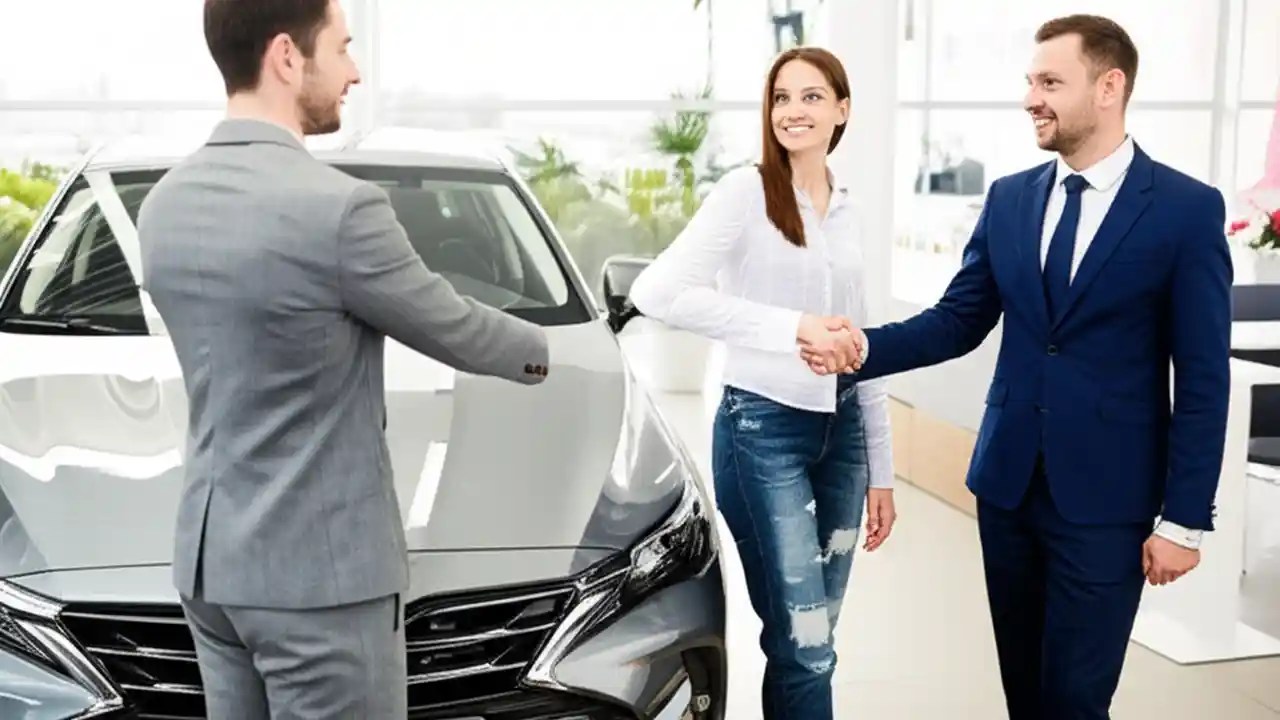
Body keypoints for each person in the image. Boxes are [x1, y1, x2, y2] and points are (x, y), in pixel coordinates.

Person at [136, 1, 551, 717]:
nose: (355, 71)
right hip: (320, 585)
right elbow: (450, 324)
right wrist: (544, 349)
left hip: (212, 571)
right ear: (287, 57)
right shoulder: (340, 210)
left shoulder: (164, 204)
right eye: (343, 47)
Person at [817, 14, 1231, 719]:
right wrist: (860, 348)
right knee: (1025, 690)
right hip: (1007, 490)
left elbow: (1202, 379)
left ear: (1109, 86)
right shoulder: (1011, 198)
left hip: (1109, 503)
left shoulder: (1186, 211)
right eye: (1029, 81)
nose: (1031, 98)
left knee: (1074, 699)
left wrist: (1183, 520)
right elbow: (958, 319)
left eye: (1049, 82)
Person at [629, 46, 896, 720]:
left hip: (845, 440)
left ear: (843, 110)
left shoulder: (851, 210)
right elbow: (657, 290)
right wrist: (792, 327)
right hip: (762, 432)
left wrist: (883, 471)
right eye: (782, 98)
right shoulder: (745, 192)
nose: (793, 111)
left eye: (811, 97)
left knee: (815, 641)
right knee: (805, 642)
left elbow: (863, 339)